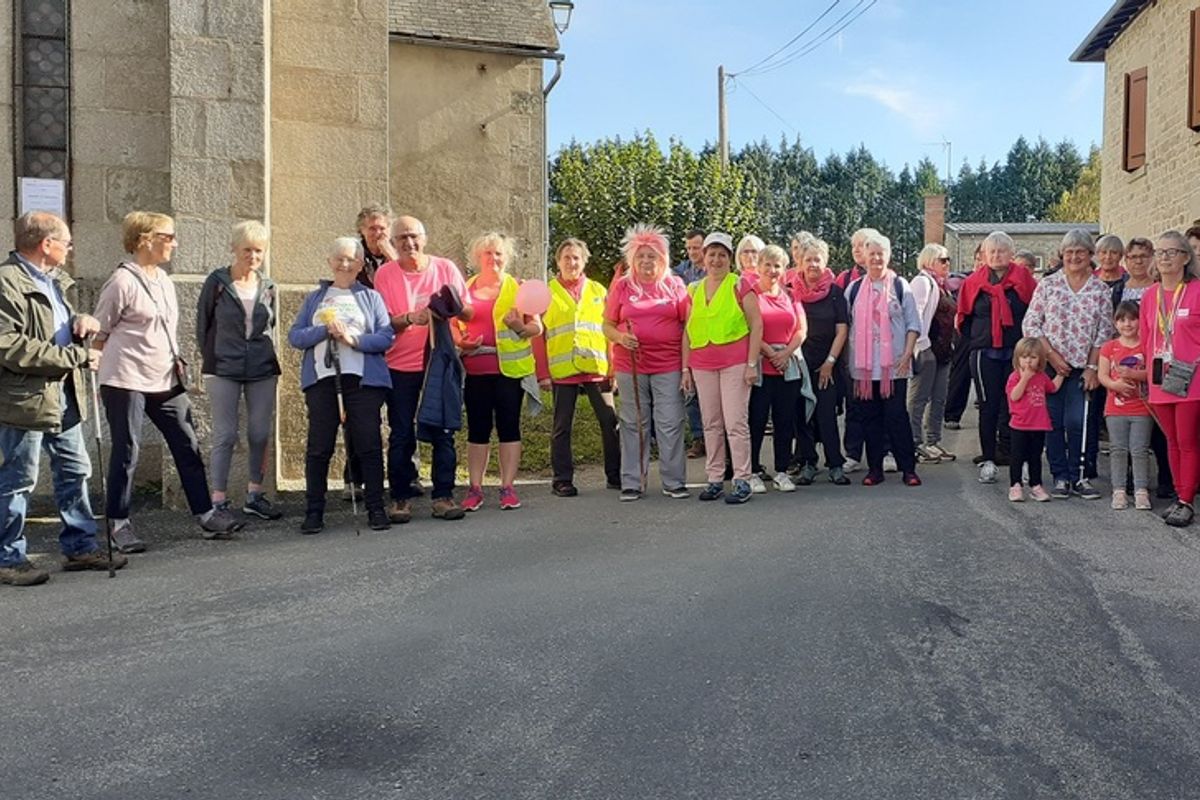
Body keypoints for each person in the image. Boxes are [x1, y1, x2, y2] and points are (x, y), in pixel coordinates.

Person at [93, 211, 243, 551]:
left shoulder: (163, 279)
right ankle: (118, 524)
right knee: (127, 450)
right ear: (146, 238)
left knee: (187, 443)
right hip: (124, 377)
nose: (174, 242)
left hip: (163, 377)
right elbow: (99, 332)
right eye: (169, 236)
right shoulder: (122, 282)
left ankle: (206, 514)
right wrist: (99, 376)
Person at [0, 212, 126, 586]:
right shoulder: (7, 282)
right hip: (25, 398)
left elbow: (55, 328)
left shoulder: (53, 281)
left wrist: (80, 321)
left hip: (63, 395)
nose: (70, 249)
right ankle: (9, 558)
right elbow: (9, 345)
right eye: (66, 242)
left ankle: (80, 547)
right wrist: (76, 356)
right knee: (18, 480)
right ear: (46, 245)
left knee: (75, 470)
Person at [288, 238, 395, 533]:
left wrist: (353, 339)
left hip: (362, 381)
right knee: (319, 447)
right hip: (323, 381)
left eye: (351, 259)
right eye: (339, 258)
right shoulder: (316, 298)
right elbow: (295, 337)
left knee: (369, 445)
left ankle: (376, 508)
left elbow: (386, 337)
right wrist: (325, 331)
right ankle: (313, 512)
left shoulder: (371, 297)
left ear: (360, 265)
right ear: (330, 262)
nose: (345, 264)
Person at [372, 216, 471, 522]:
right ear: (393, 242)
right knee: (401, 434)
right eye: (401, 238)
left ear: (424, 238)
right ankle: (400, 499)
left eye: (413, 236)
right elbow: (382, 322)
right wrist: (409, 319)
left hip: (438, 363)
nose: (408, 243)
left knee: (443, 432)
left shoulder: (445, 269)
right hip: (399, 366)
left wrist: (449, 306)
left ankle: (444, 496)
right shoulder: (385, 274)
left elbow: (467, 310)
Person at [195, 221, 283, 522]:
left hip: (262, 367)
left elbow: (273, 328)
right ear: (234, 249)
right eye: (247, 249)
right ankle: (218, 500)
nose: (253, 256)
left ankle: (255, 496)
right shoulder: (217, 282)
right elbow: (202, 325)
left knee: (259, 433)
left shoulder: (269, 286)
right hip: (223, 367)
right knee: (225, 434)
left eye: (258, 250)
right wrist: (208, 359)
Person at [1022, 228, 1116, 500]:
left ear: (1090, 255)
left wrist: (1092, 368)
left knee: (1079, 422)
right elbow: (1031, 323)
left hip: (1083, 367)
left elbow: (1103, 332)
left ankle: (1080, 476)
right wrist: (1052, 356)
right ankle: (1060, 476)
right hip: (1050, 365)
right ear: (1062, 255)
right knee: (1052, 423)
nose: (1074, 257)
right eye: (1069, 252)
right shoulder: (1049, 284)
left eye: (1080, 252)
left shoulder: (1100, 290)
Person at [604, 224, 690, 501]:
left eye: (651, 256)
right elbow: (606, 324)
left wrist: (688, 366)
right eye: (640, 256)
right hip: (631, 364)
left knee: (670, 422)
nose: (645, 261)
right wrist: (619, 336)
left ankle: (674, 481)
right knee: (633, 422)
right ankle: (632, 481)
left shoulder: (676, 285)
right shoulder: (622, 286)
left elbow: (688, 325)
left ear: (662, 259)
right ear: (632, 259)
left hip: (669, 364)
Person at [457, 232, 542, 512]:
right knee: (478, 430)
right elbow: (451, 325)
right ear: (477, 257)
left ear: (507, 258)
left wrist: (519, 326)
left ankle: (507, 487)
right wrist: (461, 342)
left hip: (510, 372)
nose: (493, 259)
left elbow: (536, 328)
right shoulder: (464, 288)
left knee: (509, 428)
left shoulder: (519, 287)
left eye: (498, 254)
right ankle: (475, 488)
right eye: (487, 254)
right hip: (475, 371)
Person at [683, 232, 763, 504]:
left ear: (730, 259)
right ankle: (715, 478)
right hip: (702, 364)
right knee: (711, 423)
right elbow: (687, 331)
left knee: (735, 423)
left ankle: (742, 479)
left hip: (735, 363)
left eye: (722, 254)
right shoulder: (693, 289)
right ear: (703, 258)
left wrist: (752, 363)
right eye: (711, 254)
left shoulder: (740, 285)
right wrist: (685, 369)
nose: (716, 260)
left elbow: (756, 324)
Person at [956, 231, 1037, 484]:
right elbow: (964, 318)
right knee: (988, 406)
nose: (996, 255)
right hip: (984, 353)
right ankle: (988, 458)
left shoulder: (1024, 279)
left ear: (1011, 254)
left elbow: (1034, 311)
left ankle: (1017, 457)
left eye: (1001, 251)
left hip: (1016, 353)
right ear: (984, 255)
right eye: (991, 251)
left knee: (1016, 405)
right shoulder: (973, 282)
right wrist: (979, 341)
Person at [844, 230, 921, 486]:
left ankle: (908, 468)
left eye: (881, 254)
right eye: (872, 254)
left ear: (888, 256)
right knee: (870, 419)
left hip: (894, 366)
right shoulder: (853, 289)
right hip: (864, 369)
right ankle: (874, 469)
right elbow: (844, 326)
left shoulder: (901, 286)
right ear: (864, 257)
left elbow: (913, 323)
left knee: (897, 417)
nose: (876, 259)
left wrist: (908, 353)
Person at [543, 239, 619, 497]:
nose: (571, 262)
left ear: (584, 261)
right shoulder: (546, 292)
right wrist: (542, 372)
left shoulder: (599, 290)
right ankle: (562, 480)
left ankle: (616, 475)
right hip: (563, 370)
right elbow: (538, 334)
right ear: (558, 262)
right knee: (562, 426)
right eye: (566, 257)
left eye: (576, 258)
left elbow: (611, 329)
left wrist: (614, 366)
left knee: (610, 422)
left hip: (596, 366)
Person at [1140, 231, 1200, 527]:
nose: (1164, 257)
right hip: (1160, 378)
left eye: (1171, 252)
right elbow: (1145, 338)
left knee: (1188, 440)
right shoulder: (1150, 295)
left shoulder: (1197, 290)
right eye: (1160, 252)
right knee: (1171, 440)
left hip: (1192, 378)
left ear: (1186, 258)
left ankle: (1187, 500)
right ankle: (1180, 495)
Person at [1114, 236, 1173, 498]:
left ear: (1152, 259)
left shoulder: (1161, 288)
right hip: (1125, 361)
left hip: (1155, 360)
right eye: (1133, 257)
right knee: (1128, 420)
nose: (1138, 261)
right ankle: (1130, 477)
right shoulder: (1118, 289)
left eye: (1143, 256)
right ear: (1126, 260)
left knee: (1159, 424)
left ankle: (1167, 478)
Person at [790, 237, 850, 485]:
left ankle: (835, 464)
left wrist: (830, 362)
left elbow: (842, 330)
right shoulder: (791, 291)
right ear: (800, 263)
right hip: (799, 363)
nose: (813, 264)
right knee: (802, 416)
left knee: (826, 415)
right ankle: (808, 463)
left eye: (818, 259)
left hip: (827, 364)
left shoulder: (836, 293)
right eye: (808, 260)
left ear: (825, 262)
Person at [747, 244, 805, 493]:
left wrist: (785, 354)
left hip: (786, 369)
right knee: (756, 422)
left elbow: (801, 329)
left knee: (784, 422)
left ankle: (782, 471)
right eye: (767, 265)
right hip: (760, 369)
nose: (772, 270)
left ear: (784, 270)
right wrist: (771, 353)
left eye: (777, 265)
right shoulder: (750, 296)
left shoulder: (790, 295)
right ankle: (752, 471)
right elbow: (747, 330)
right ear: (758, 267)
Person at [1099, 301, 1152, 511]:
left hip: (1142, 408)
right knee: (1118, 449)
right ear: (1115, 323)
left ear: (1140, 321)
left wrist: (1133, 374)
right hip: (1115, 408)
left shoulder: (1146, 345)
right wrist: (1115, 384)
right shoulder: (1109, 347)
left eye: (1132, 319)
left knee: (1139, 450)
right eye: (1122, 320)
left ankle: (1141, 490)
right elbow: (1102, 375)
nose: (1127, 324)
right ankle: (1118, 490)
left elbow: (1151, 373)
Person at [907, 244, 957, 464]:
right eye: (943, 260)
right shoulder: (922, 282)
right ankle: (914, 443)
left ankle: (933, 441)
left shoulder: (942, 285)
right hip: (928, 348)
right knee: (918, 399)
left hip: (942, 350)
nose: (947, 264)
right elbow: (914, 313)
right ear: (929, 261)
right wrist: (920, 345)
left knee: (939, 398)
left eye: (948, 260)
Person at [838, 228, 879, 470]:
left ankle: (885, 451)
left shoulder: (891, 280)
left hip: (881, 355)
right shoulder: (846, 281)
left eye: (862, 245)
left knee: (883, 403)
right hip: (855, 354)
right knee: (854, 405)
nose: (856, 250)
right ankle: (852, 453)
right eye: (854, 245)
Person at [1005, 337, 1064, 502]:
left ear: (1040, 360)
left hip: (1038, 424)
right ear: (1018, 359)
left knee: (1035, 457)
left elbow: (1052, 388)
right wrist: (1025, 378)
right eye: (1024, 357)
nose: (1028, 361)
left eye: (1033, 357)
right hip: (1020, 424)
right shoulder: (1015, 377)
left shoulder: (1041, 376)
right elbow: (1014, 396)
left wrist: (1061, 374)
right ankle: (1015, 485)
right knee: (1017, 456)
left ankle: (1036, 485)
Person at [674, 228, 707, 458]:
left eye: (696, 247)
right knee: (691, 391)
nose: (692, 252)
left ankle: (716, 438)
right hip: (687, 335)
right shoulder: (681, 272)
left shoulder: (716, 270)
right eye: (689, 248)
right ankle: (698, 438)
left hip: (711, 337)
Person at [355, 203, 398, 289]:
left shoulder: (402, 250)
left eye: (382, 228)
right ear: (362, 230)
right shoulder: (354, 252)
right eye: (372, 228)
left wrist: (392, 256)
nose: (377, 233)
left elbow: (410, 280)